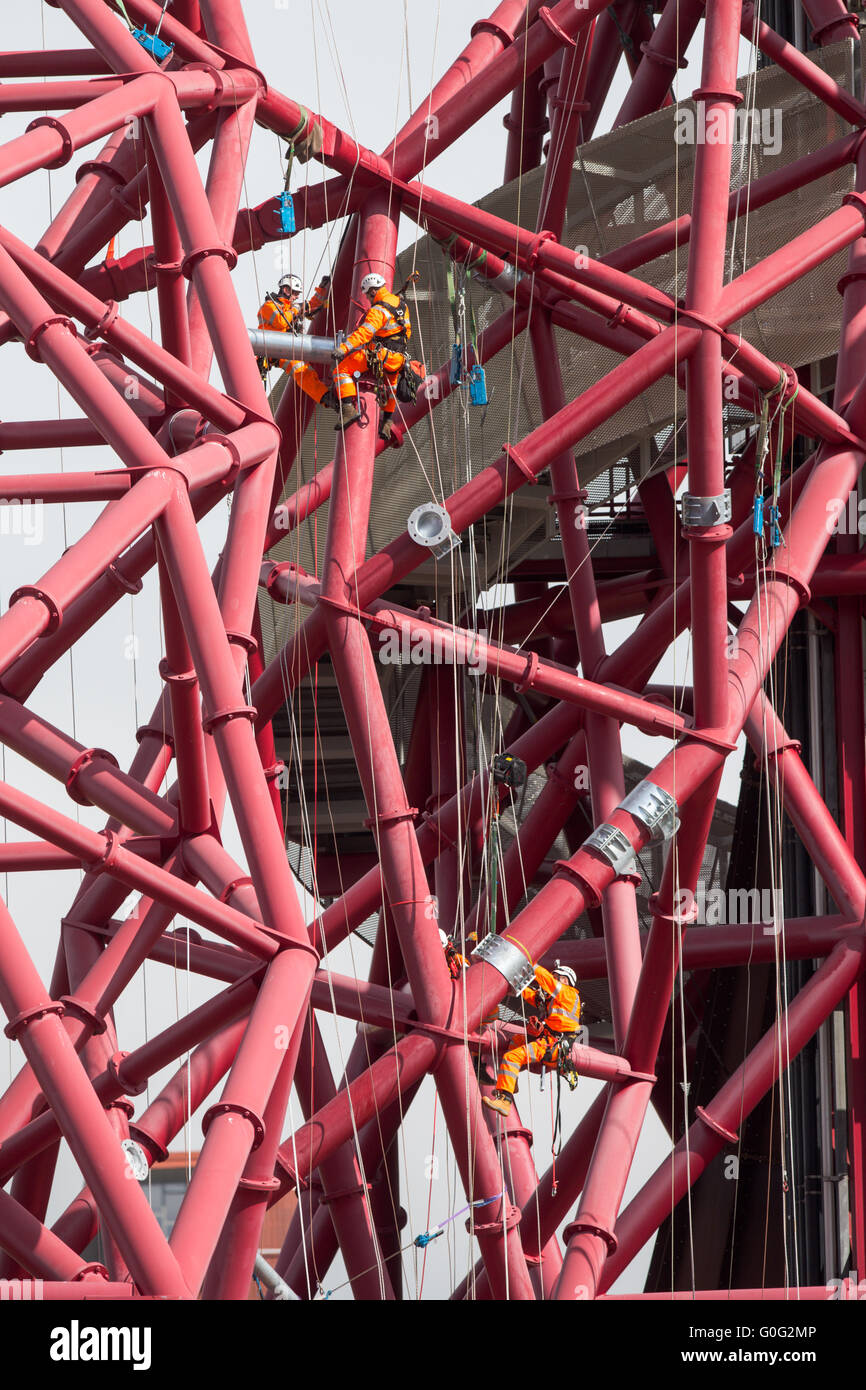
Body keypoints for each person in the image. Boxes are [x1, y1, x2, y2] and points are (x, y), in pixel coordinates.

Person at [482, 961, 581, 1117]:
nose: (553, 978)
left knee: (511, 1057)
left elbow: (546, 980)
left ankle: (504, 1100)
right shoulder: (551, 999)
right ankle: (511, 1082)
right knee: (517, 1041)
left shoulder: (569, 994)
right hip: (549, 1041)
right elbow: (529, 995)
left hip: (553, 1046)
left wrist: (530, 963)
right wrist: (510, 984)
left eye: (557, 976)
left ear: (565, 980)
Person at [329, 272, 412, 439]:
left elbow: (364, 333)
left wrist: (344, 348)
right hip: (397, 359)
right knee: (391, 386)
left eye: (367, 295)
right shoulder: (401, 305)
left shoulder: (378, 310)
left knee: (341, 370)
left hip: (380, 355)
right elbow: (407, 332)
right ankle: (387, 422)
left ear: (373, 291)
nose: (368, 298)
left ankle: (348, 409)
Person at [257, 272, 331, 401]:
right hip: (271, 349)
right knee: (300, 370)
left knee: (304, 372)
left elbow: (312, 305)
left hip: (284, 349)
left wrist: (322, 289)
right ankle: (326, 397)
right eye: (295, 293)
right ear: (286, 290)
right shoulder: (269, 306)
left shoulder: (290, 308)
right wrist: (296, 309)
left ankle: (326, 397)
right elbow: (281, 322)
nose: (296, 297)